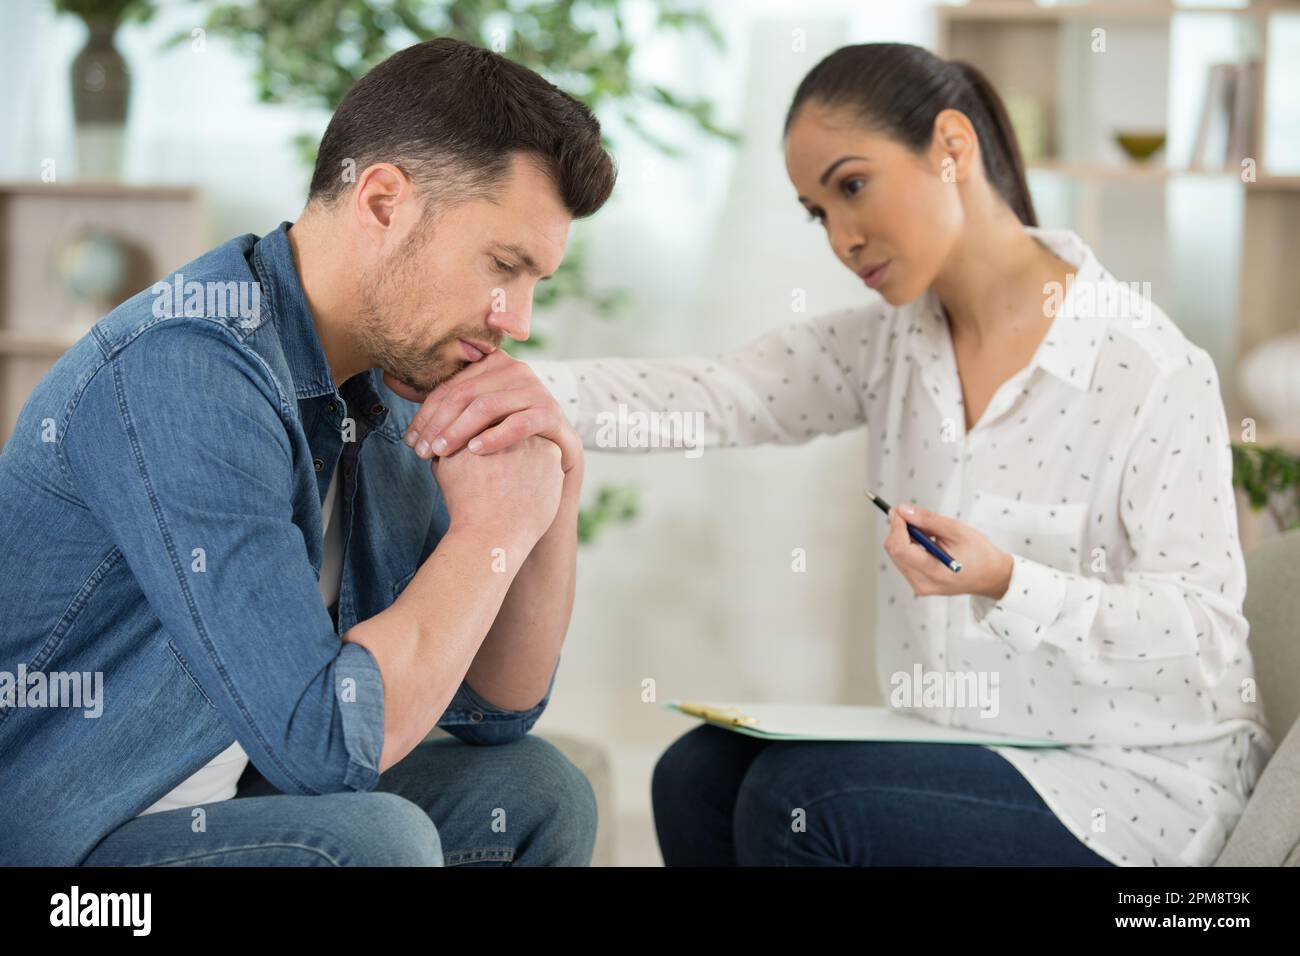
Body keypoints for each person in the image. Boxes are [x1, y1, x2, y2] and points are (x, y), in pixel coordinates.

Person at [403, 43, 1273, 866]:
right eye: (820, 212)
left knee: (808, 800)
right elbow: (714, 397)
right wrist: (520, 392)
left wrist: (1010, 581)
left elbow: (1199, 634)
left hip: (1138, 783)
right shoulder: (892, 345)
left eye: (853, 186)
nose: (842, 237)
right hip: (963, 747)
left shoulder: (1149, 368)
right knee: (694, 775)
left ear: (951, 147)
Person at [0, 37, 614, 866]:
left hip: (233, 805)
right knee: (375, 843)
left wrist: (552, 483)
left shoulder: (389, 379)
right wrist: (479, 536)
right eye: (503, 266)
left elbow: (493, 709)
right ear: (385, 202)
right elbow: (324, 741)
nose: (519, 319)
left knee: (538, 792)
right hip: (68, 843)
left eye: (537, 280)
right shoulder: (188, 367)